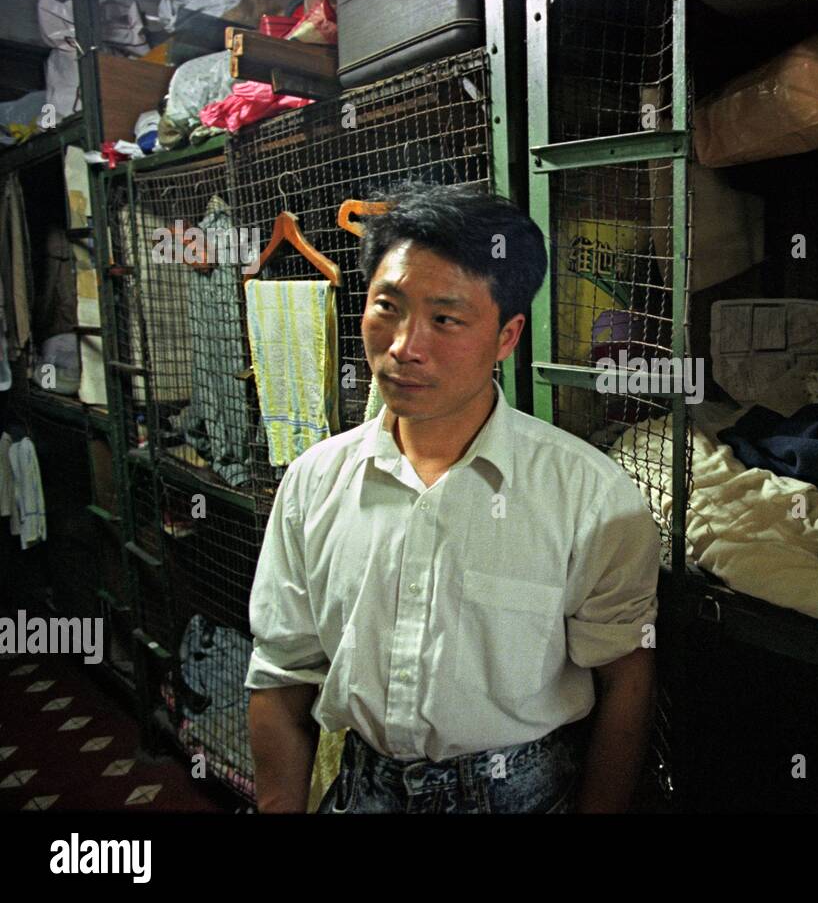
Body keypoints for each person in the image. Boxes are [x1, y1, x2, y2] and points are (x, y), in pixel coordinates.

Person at [245, 182, 660, 813]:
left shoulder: (590, 498)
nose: (405, 347)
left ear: (505, 337)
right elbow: (281, 679)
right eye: (387, 306)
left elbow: (625, 679)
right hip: (364, 790)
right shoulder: (312, 484)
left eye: (446, 319)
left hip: (519, 794)